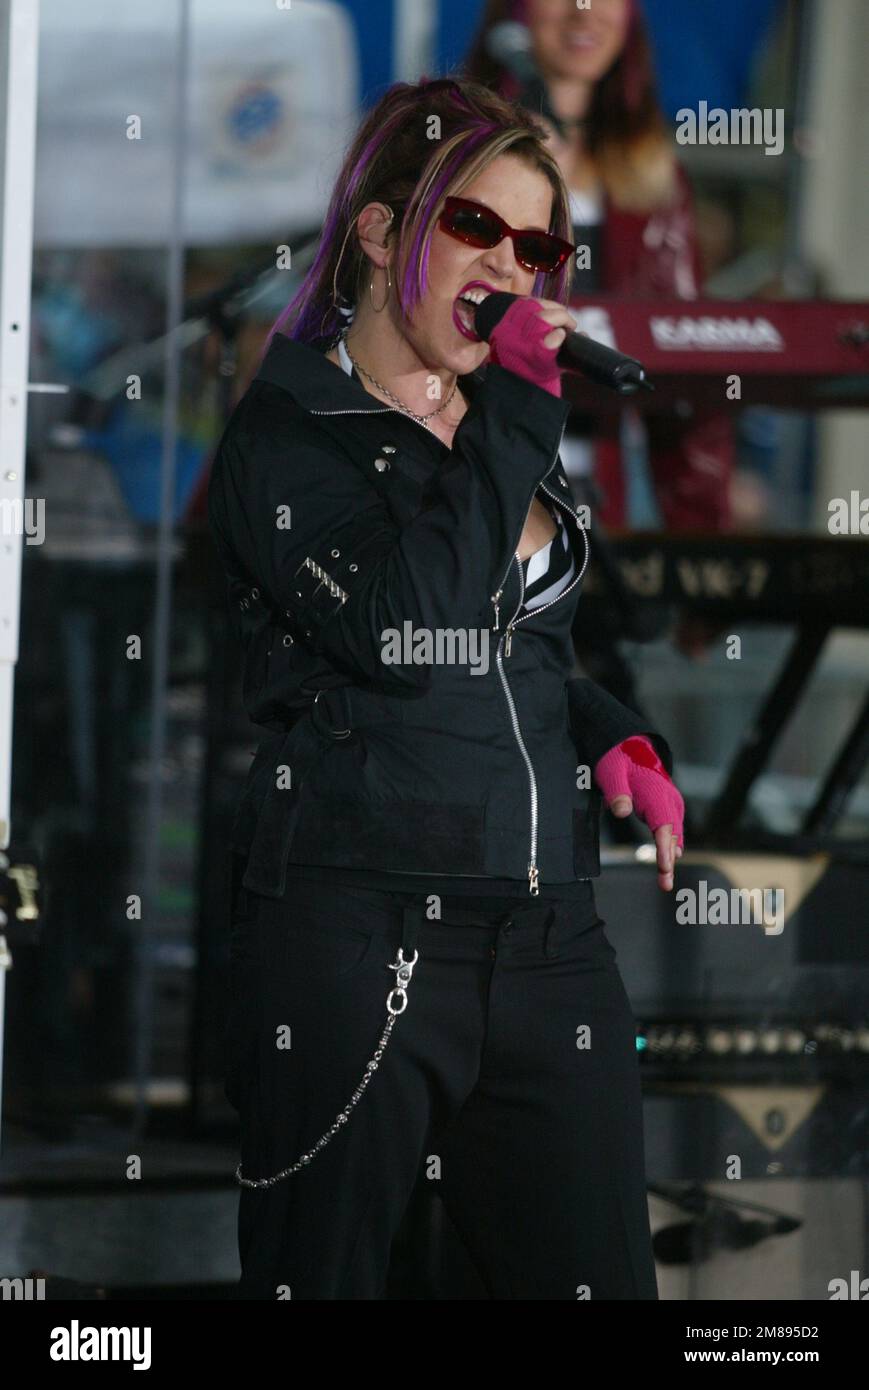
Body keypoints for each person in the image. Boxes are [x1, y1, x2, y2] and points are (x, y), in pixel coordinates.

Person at [207, 75, 685, 1300]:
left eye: (538, 248)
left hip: (545, 932)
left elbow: (519, 644)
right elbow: (401, 629)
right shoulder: (290, 434)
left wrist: (610, 735)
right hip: (360, 929)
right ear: (379, 232)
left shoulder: (489, 424)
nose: (510, 267)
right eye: (475, 225)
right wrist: (516, 415)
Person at [463, 0, 734, 541]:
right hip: (471, 489)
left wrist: (700, 542)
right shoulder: (462, 149)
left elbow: (686, 379)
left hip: (595, 508)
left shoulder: (654, 178)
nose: (584, 12)